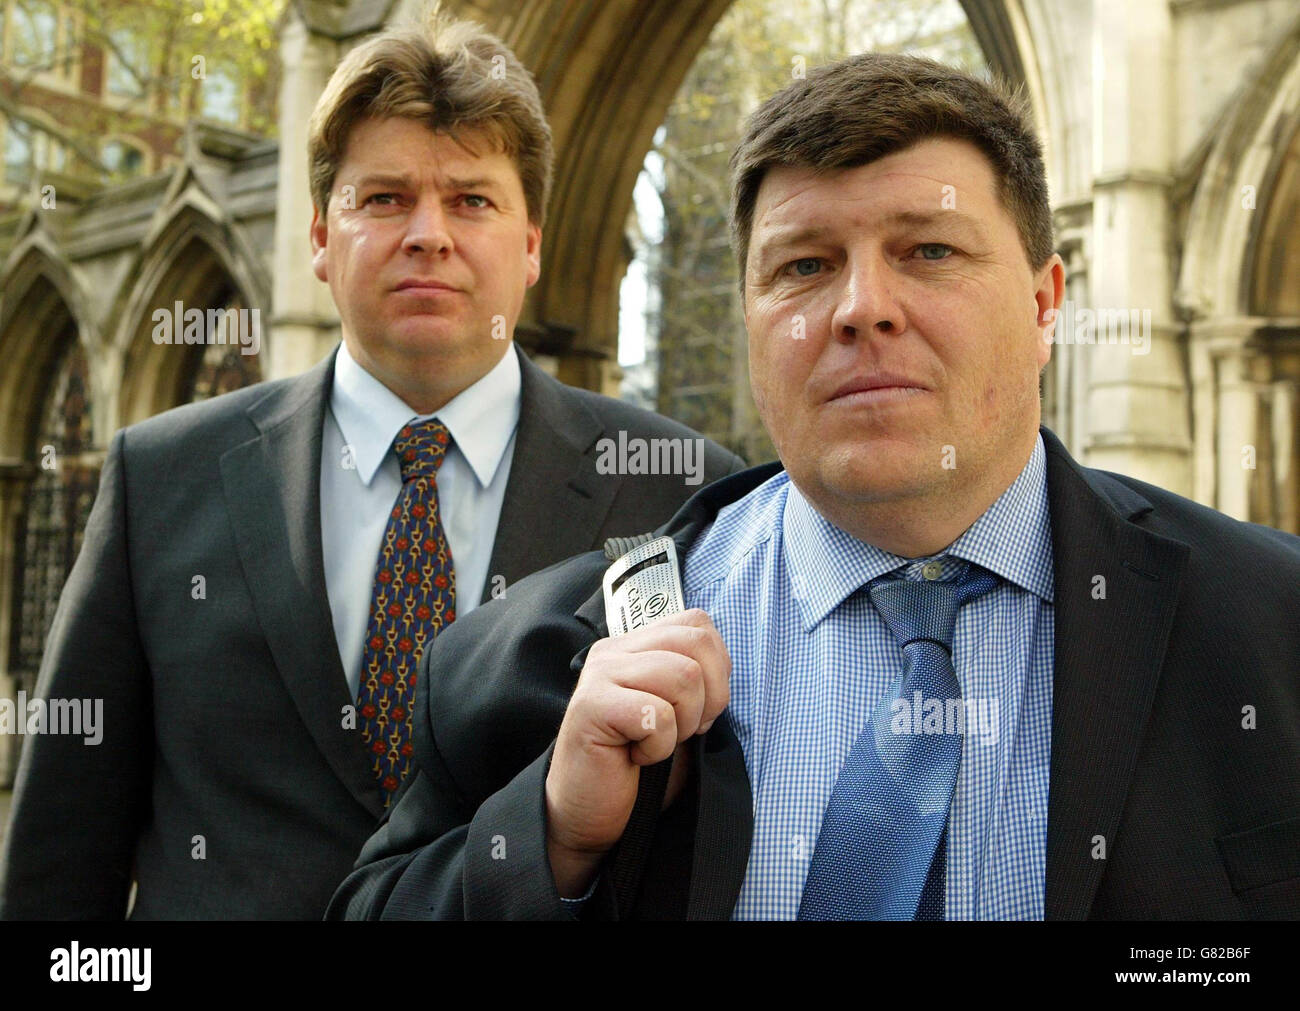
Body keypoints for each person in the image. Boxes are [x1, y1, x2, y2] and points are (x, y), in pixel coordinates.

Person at [328, 52, 1300, 921]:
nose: (862, 308)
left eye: (929, 251)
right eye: (804, 266)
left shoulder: (1268, 624)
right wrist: (554, 839)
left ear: (1046, 303)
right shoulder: (538, 655)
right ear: (750, 316)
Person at [0, 10, 743, 920]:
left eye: (472, 200)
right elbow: (58, 859)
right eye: (383, 198)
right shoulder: (161, 477)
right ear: (318, 235)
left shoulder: (676, 488)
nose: (428, 233)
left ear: (534, 243)